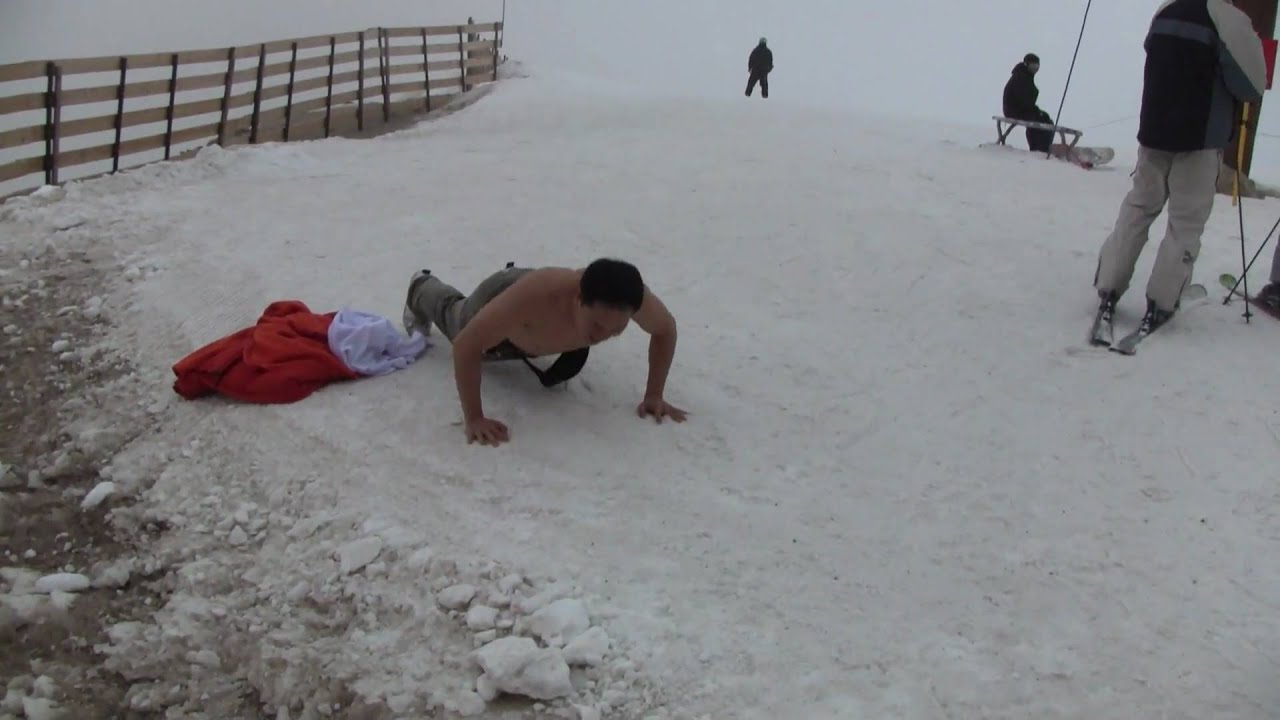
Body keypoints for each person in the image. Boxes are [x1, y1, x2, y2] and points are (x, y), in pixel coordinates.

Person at [1093, 0, 1266, 330]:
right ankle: (1162, 300)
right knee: (1184, 224)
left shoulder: (1166, 10)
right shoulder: (1228, 19)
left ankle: (1108, 285)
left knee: (1138, 208)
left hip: (1153, 132)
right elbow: (1250, 86)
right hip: (1198, 142)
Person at [402, 258, 687, 446]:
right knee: (454, 318)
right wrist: (474, 418)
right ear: (578, 298)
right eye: (597, 325)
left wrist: (654, 394)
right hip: (504, 299)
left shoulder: (634, 297)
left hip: (534, 333)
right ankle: (421, 286)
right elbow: (466, 346)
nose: (601, 336)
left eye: (615, 330)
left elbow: (665, 330)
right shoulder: (539, 295)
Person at [1002, 53, 1054, 152]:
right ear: (1026, 64)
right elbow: (1023, 100)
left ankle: (1042, 147)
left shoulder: (1026, 76)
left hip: (1020, 110)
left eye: (1037, 66)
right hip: (1014, 110)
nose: (1035, 69)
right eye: (1033, 65)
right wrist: (1035, 110)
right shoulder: (1020, 77)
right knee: (1042, 120)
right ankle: (1040, 149)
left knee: (1044, 118)